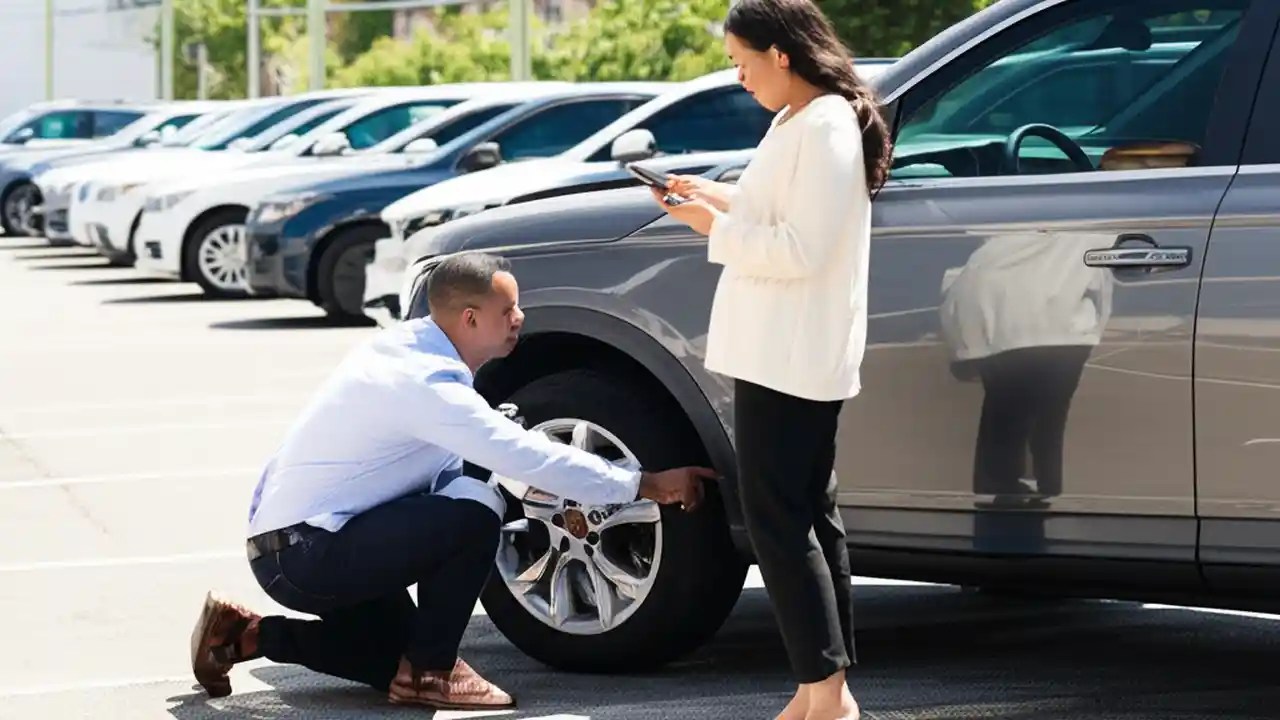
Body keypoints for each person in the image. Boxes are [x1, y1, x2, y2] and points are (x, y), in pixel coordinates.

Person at [188, 252, 715, 711]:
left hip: (302, 542)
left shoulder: (404, 351)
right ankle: (434, 674)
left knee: (397, 657)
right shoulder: (427, 384)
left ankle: (245, 635)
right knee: (475, 514)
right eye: (507, 311)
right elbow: (521, 455)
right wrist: (643, 484)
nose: (519, 319)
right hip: (308, 552)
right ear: (469, 318)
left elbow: (462, 462)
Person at [649, 0, 892, 718]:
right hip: (783, 352)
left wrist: (711, 227)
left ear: (781, 54)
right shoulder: (800, 119)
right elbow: (781, 211)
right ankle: (824, 692)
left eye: (743, 63)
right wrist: (712, 196)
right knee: (806, 516)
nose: (740, 77)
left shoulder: (823, 127)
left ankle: (825, 697)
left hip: (792, 355)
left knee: (780, 523)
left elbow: (802, 249)